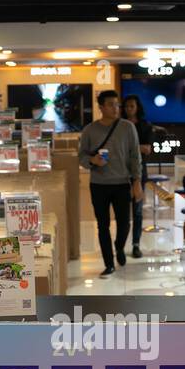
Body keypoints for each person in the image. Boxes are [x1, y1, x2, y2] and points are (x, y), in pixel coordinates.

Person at [77, 90, 143, 276]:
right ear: (101, 107)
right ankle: (109, 263)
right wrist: (92, 161)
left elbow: (135, 156)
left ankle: (119, 246)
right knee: (102, 225)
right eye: (111, 105)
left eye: (117, 104)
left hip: (122, 183)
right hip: (99, 184)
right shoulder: (90, 130)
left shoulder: (127, 127)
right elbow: (82, 155)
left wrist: (137, 181)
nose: (116, 108)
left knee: (125, 223)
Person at [123, 95, 154, 258]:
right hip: (120, 173)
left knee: (137, 211)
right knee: (122, 212)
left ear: (137, 108)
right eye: (126, 106)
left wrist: (127, 148)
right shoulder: (119, 126)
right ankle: (120, 244)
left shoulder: (144, 126)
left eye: (132, 106)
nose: (129, 109)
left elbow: (147, 149)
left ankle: (136, 244)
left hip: (139, 173)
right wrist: (136, 148)